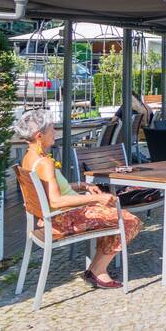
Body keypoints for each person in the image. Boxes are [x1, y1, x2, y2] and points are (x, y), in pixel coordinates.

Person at [16, 109, 141, 289]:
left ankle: (96, 269)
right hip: (64, 219)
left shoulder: (29, 158)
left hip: (54, 218)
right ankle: (97, 270)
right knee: (130, 221)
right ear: (38, 136)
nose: (55, 133)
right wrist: (95, 200)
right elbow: (55, 201)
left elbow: (51, 191)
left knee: (113, 215)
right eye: (52, 129)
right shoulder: (45, 163)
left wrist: (82, 186)